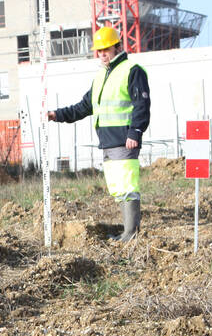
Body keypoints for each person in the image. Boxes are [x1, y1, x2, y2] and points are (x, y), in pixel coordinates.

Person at [48, 25, 150, 241]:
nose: (102, 54)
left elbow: (141, 104)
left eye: (106, 49)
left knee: (127, 185)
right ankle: (128, 232)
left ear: (117, 47)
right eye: (100, 50)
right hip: (107, 141)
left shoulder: (132, 70)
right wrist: (57, 115)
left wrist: (136, 132)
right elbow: (84, 106)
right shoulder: (101, 76)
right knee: (117, 187)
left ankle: (131, 233)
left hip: (125, 140)